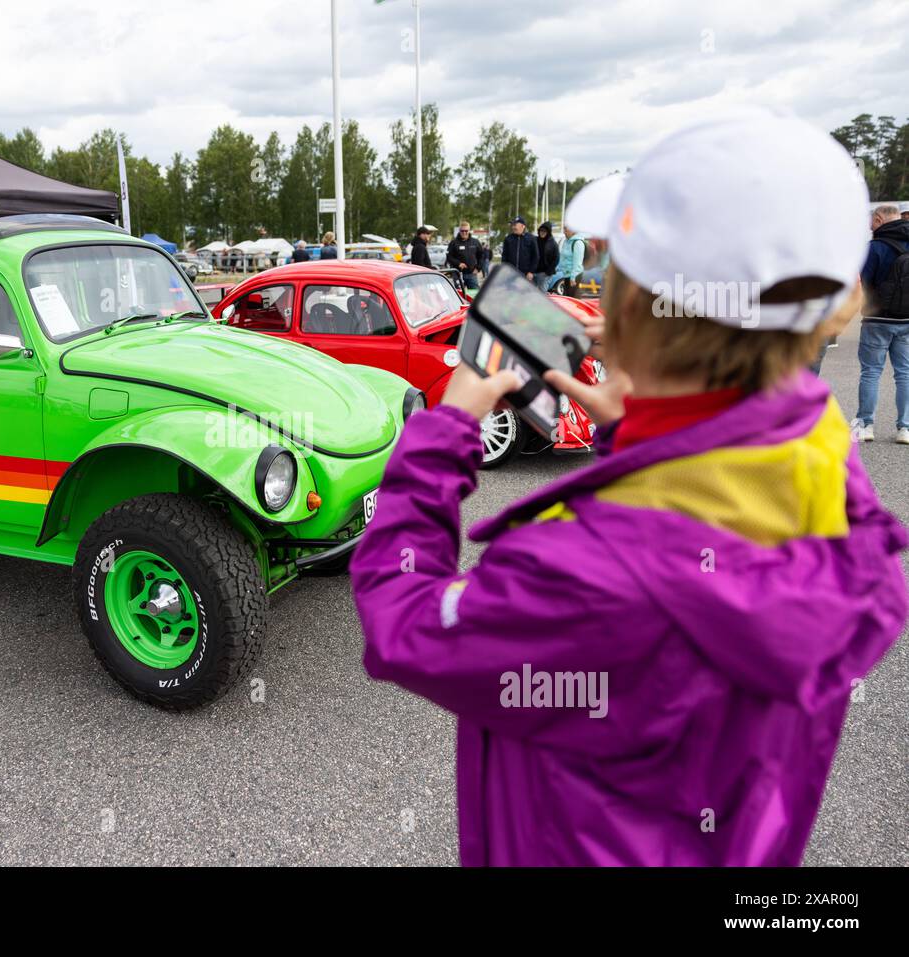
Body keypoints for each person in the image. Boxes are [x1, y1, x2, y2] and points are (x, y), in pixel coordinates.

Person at [350, 112, 906, 866]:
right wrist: (642, 431)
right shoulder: (818, 445)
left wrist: (445, 431)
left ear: (638, 311)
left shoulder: (582, 572)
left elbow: (401, 619)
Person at [851, 204, 909, 444]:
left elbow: (862, 281)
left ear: (878, 219)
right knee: (904, 373)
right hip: (906, 319)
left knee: (871, 371)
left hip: (876, 319)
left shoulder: (875, 247)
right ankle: (904, 428)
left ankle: (865, 425)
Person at [446, 221, 483, 293]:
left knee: (474, 295)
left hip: (471, 273)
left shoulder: (475, 242)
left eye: (466, 231)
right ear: (459, 231)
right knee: (459, 294)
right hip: (458, 274)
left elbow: (481, 256)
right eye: (462, 231)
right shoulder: (454, 242)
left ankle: (473, 305)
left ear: (469, 231)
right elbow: (449, 257)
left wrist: (478, 268)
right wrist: (458, 263)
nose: (464, 232)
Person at [533, 221, 560, 291]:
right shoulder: (535, 240)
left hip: (545, 274)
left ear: (548, 232)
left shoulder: (553, 243)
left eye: (545, 231)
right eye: (541, 230)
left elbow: (556, 259)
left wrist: (548, 271)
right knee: (531, 293)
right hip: (533, 272)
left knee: (542, 294)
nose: (542, 232)